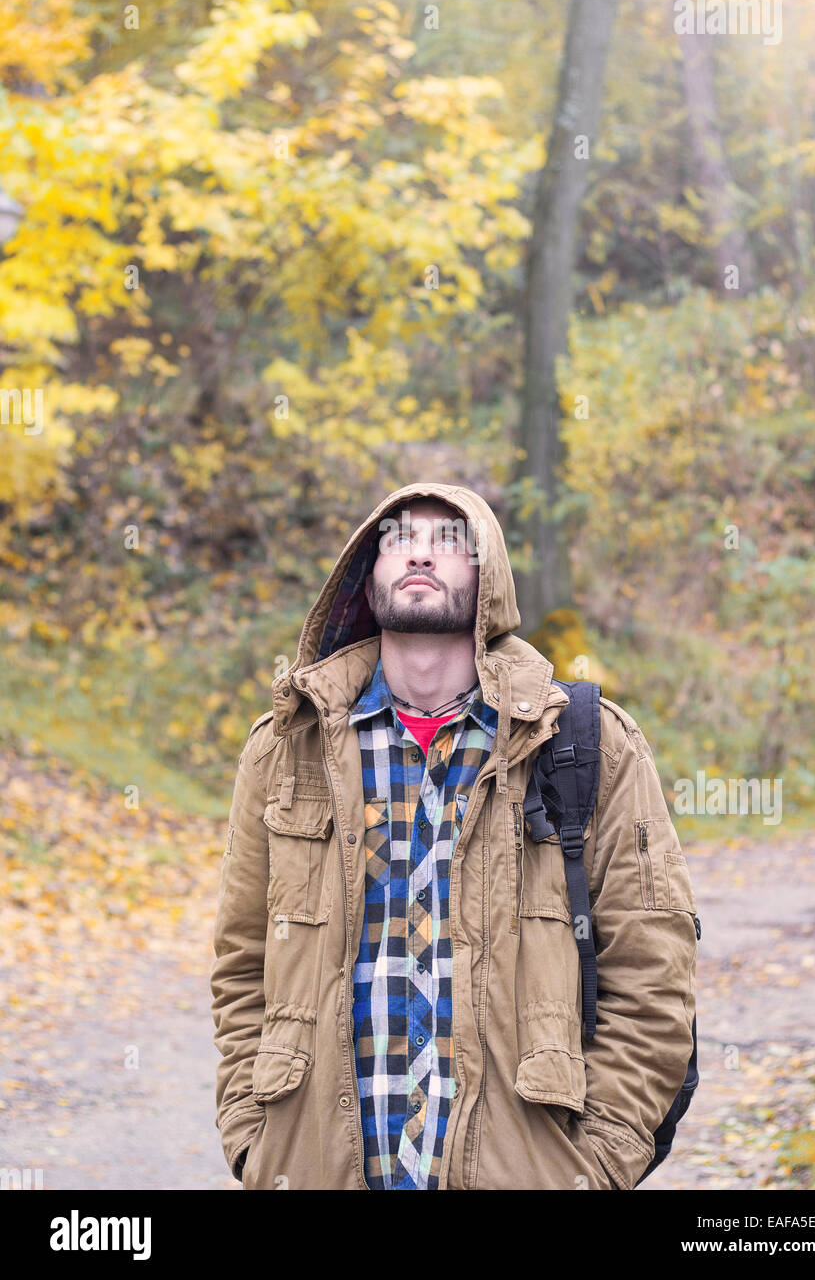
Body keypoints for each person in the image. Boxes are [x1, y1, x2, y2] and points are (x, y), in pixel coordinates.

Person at [210, 481, 698, 1190]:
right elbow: (241, 960)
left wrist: (593, 1165)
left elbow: (654, 970)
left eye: (449, 542)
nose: (421, 555)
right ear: (364, 577)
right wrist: (254, 1142)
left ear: (488, 578)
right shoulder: (286, 749)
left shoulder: (586, 744)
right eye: (398, 539)